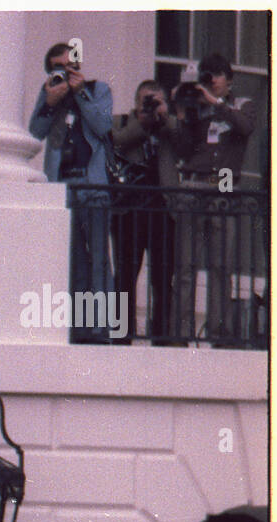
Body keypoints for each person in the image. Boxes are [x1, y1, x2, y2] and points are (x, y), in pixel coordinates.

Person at [28, 43, 114, 340]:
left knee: (100, 259)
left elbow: (103, 127)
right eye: (58, 67)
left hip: (92, 186)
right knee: (73, 259)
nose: (66, 72)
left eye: (70, 65)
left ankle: (103, 327)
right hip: (62, 188)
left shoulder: (97, 89)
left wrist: (80, 93)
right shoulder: (50, 92)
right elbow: (35, 133)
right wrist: (51, 102)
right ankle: (78, 327)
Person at [169, 54, 256, 345]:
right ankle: (181, 335)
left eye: (217, 75)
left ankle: (218, 334)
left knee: (221, 267)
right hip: (194, 186)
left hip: (223, 189)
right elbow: (183, 150)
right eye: (207, 74)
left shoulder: (240, 105)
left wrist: (216, 104)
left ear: (229, 79)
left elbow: (245, 127)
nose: (212, 80)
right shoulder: (197, 108)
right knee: (185, 267)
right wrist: (184, 114)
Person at [111, 80, 180, 344]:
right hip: (129, 209)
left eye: (156, 101)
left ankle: (161, 335)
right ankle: (122, 334)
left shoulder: (168, 127)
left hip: (162, 208)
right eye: (146, 101)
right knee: (125, 276)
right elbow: (116, 143)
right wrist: (141, 121)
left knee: (163, 277)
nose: (151, 106)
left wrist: (165, 117)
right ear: (136, 102)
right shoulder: (123, 121)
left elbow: (186, 143)